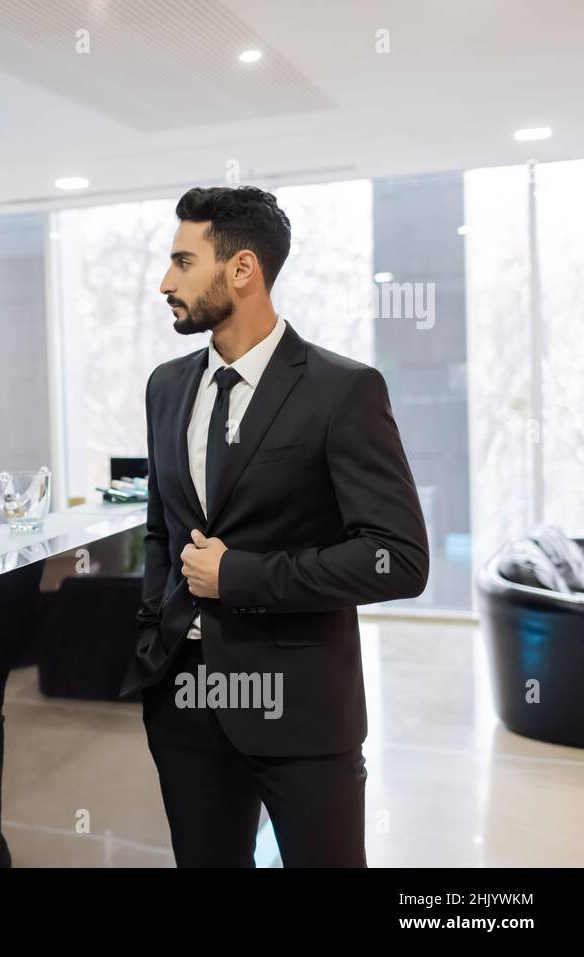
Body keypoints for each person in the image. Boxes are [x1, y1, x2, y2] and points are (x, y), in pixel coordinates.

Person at [121, 185, 429, 866]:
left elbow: (399, 557)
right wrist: (155, 631)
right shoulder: (165, 386)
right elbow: (161, 531)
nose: (165, 281)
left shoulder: (343, 390)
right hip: (186, 702)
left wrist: (241, 576)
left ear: (242, 270)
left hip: (303, 709)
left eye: (182, 261)